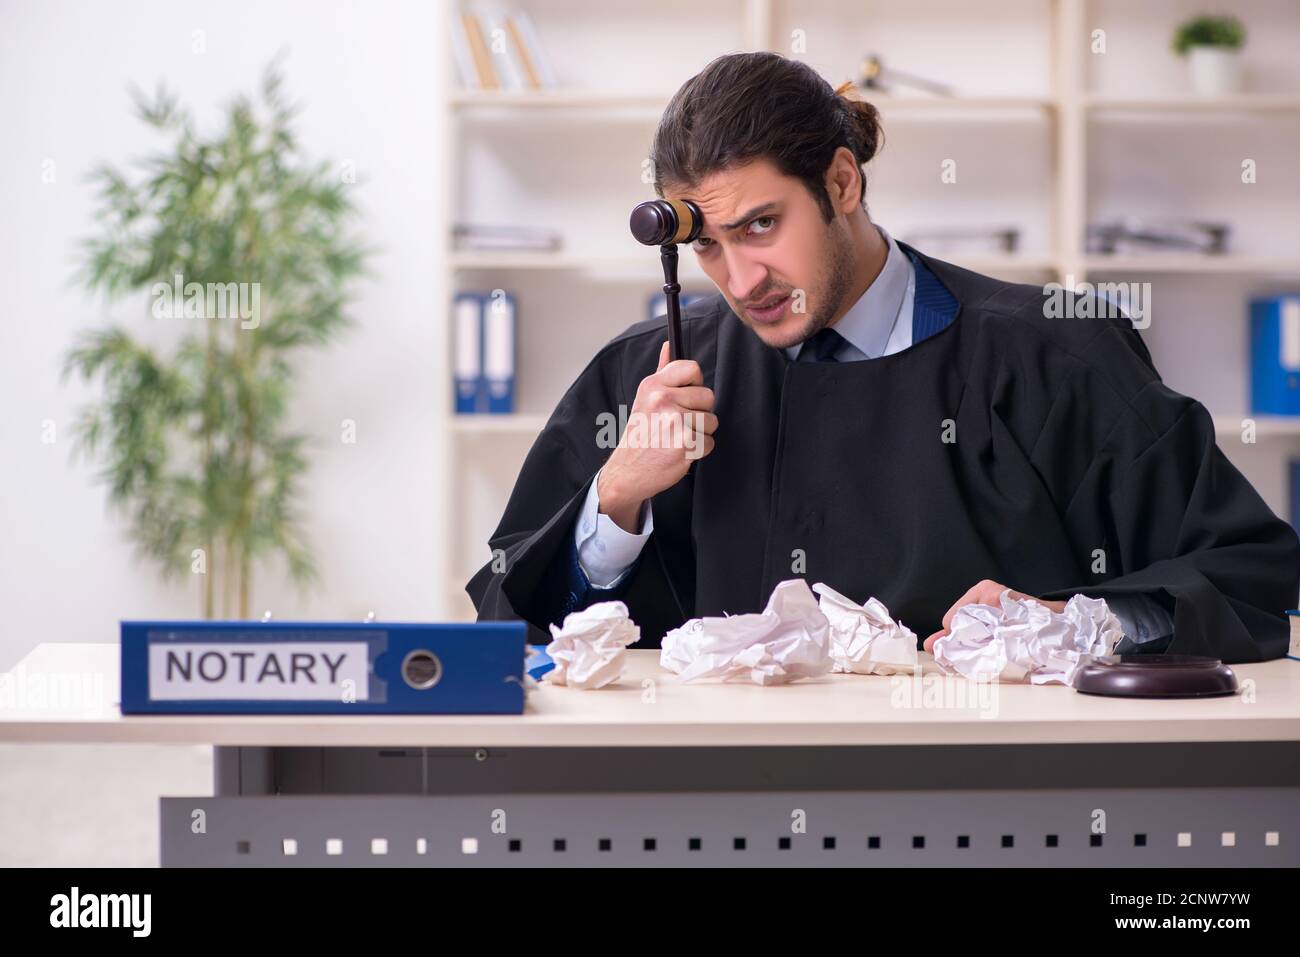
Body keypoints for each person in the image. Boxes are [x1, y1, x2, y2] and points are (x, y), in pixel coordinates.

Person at [467, 51, 1299, 662]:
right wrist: (613, 504)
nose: (742, 277)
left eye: (761, 225)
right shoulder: (648, 377)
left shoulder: (1057, 353)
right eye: (709, 245)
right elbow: (510, 632)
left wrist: (1079, 622)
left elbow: (1249, 575)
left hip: (1013, 807)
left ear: (840, 184)